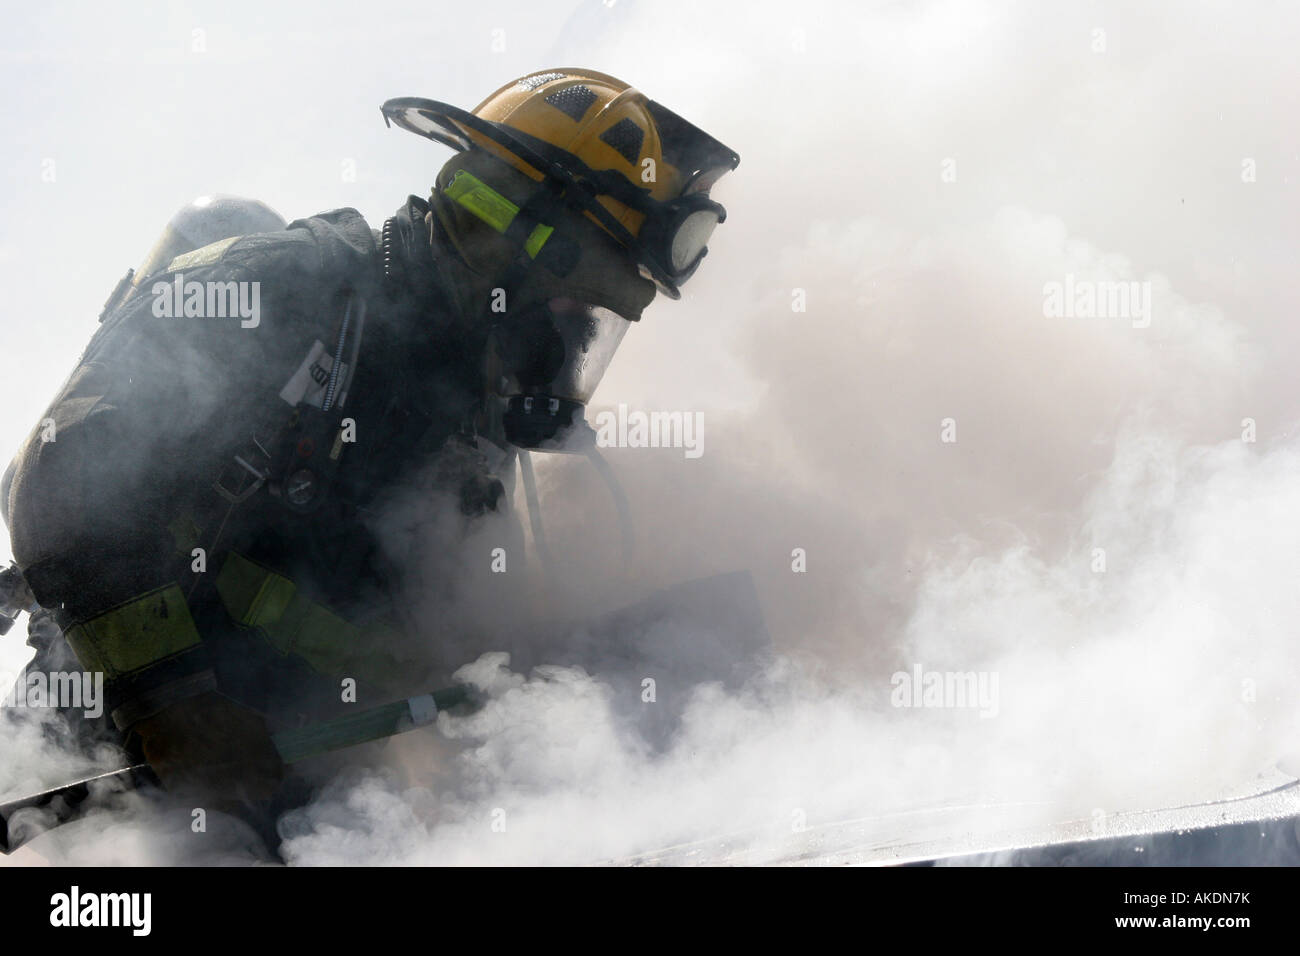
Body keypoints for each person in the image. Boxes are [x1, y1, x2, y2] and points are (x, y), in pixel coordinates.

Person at [0, 68, 739, 818]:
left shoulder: (468, 422)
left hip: (288, 798)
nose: (573, 344)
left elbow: (418, 639)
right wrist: (169, 703)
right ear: (501, 244)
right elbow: (62, 476)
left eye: (596, 325)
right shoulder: (284, 292)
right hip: (89, 774)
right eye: (573, 310)